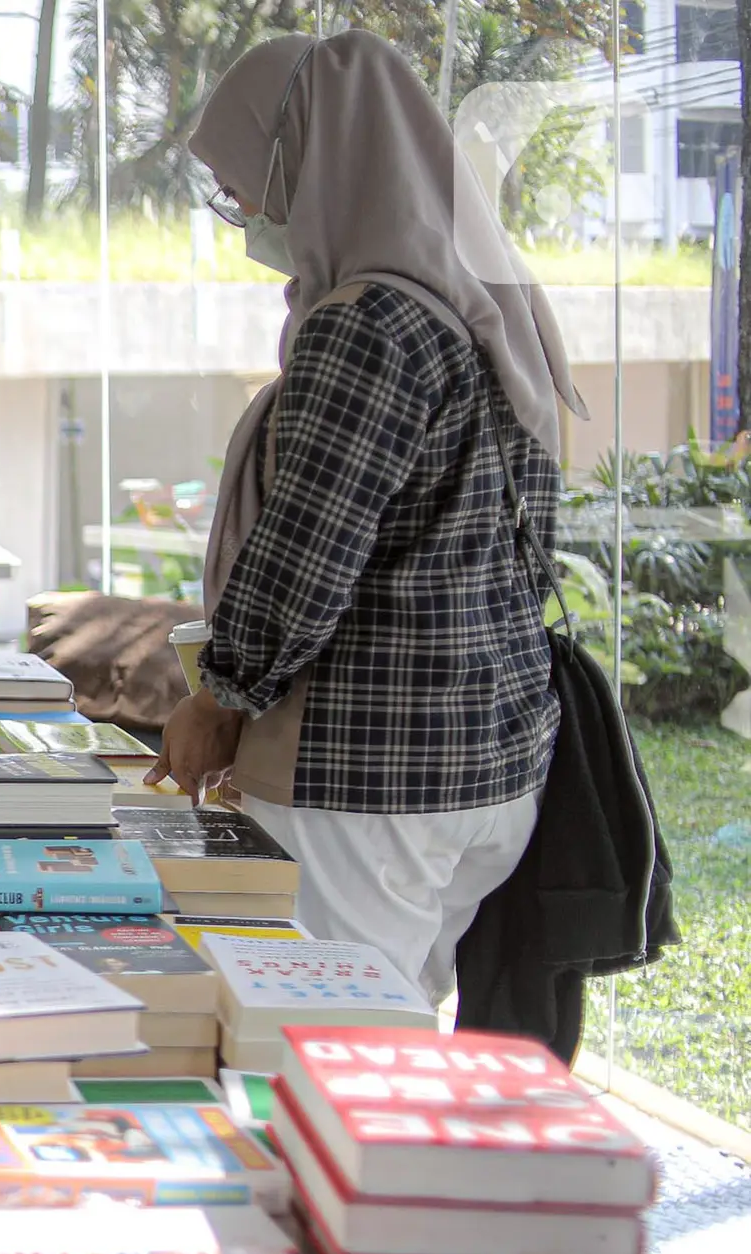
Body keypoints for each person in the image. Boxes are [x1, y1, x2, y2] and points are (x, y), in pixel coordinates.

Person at [152, 31, 584, 1004]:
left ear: (307, 155)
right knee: (390, 1032)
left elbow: (305, 551)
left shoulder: (366, 324)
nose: (244, 214)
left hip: (368, 767)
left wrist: (217, 700)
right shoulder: (474, 300)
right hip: (485, 750)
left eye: (243, 184)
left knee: (331, 1045)